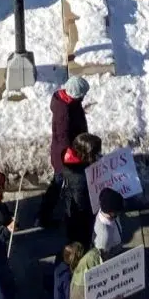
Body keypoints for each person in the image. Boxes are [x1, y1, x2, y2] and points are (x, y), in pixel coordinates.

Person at [46, 73, 91, 224]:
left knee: (59, 182)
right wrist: (73, 155)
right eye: (82, 95)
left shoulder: (67, 102)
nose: (83, 98)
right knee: (59, 182)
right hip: (64, 156)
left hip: (67, 151)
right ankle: (44, 215)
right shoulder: (63, 113)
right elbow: (63, 137)